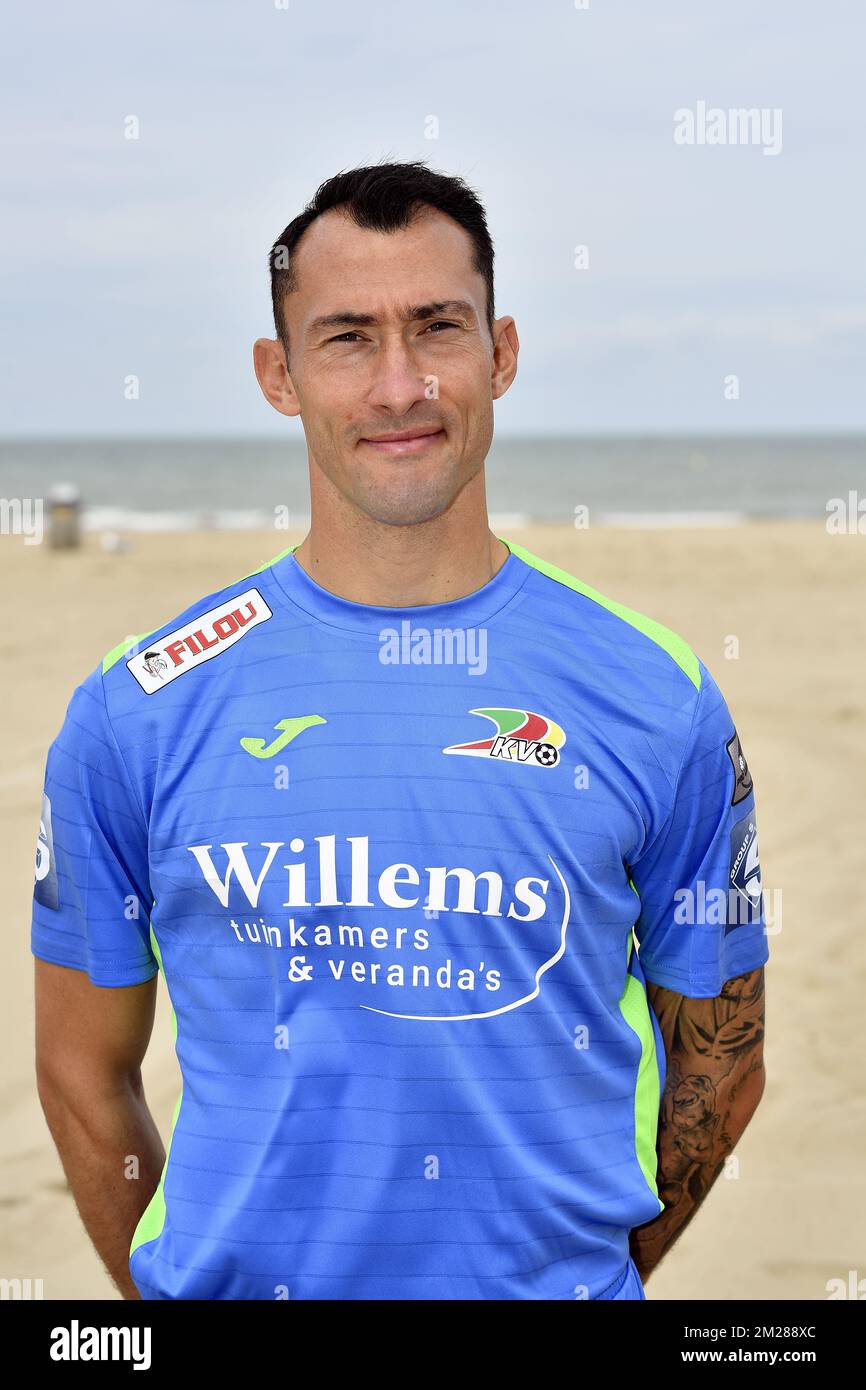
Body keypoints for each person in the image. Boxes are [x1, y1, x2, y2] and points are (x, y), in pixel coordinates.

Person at [31, 159, 768, 1301]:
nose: (398, 385)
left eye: (437, 327)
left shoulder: (655, 695)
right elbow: (83, 1073)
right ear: (278, 375)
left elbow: (720, 1064)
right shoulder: (136, 708)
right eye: (345, 339)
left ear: (500, 353)